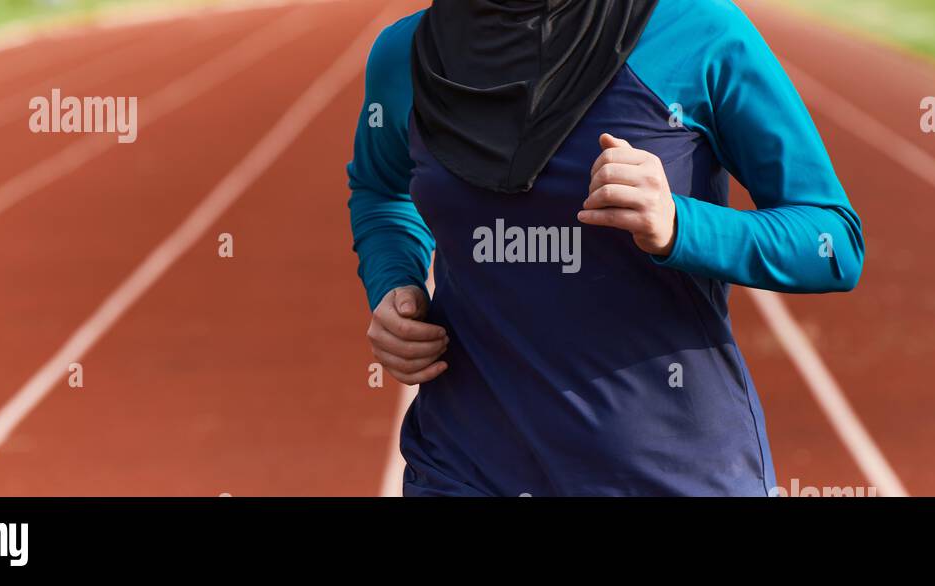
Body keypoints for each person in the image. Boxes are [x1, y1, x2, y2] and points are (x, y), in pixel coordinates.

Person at [347, 0, 863, 496]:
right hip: (465, 467)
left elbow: (833, 241)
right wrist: (394, 282)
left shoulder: (699, 29)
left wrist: (680, 225)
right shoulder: (407, 53)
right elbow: (382, 190)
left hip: (668, 471)